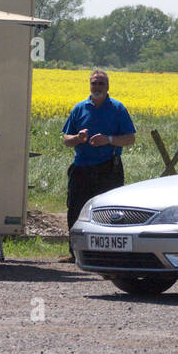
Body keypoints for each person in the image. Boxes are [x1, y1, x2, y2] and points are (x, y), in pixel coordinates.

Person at [62, 69, 137, 242]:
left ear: (108, 86)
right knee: (75, 210)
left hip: (108, 168)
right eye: (94, 83)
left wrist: (108, 140)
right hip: (81, 168)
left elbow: (130, 138)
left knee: (108, 211)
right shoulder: (79, 108)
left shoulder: (117, 109)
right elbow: (66, 140)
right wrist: (78, 138)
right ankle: (75, 251)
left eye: (101, 83)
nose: (97, 87)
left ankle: (107, 251)